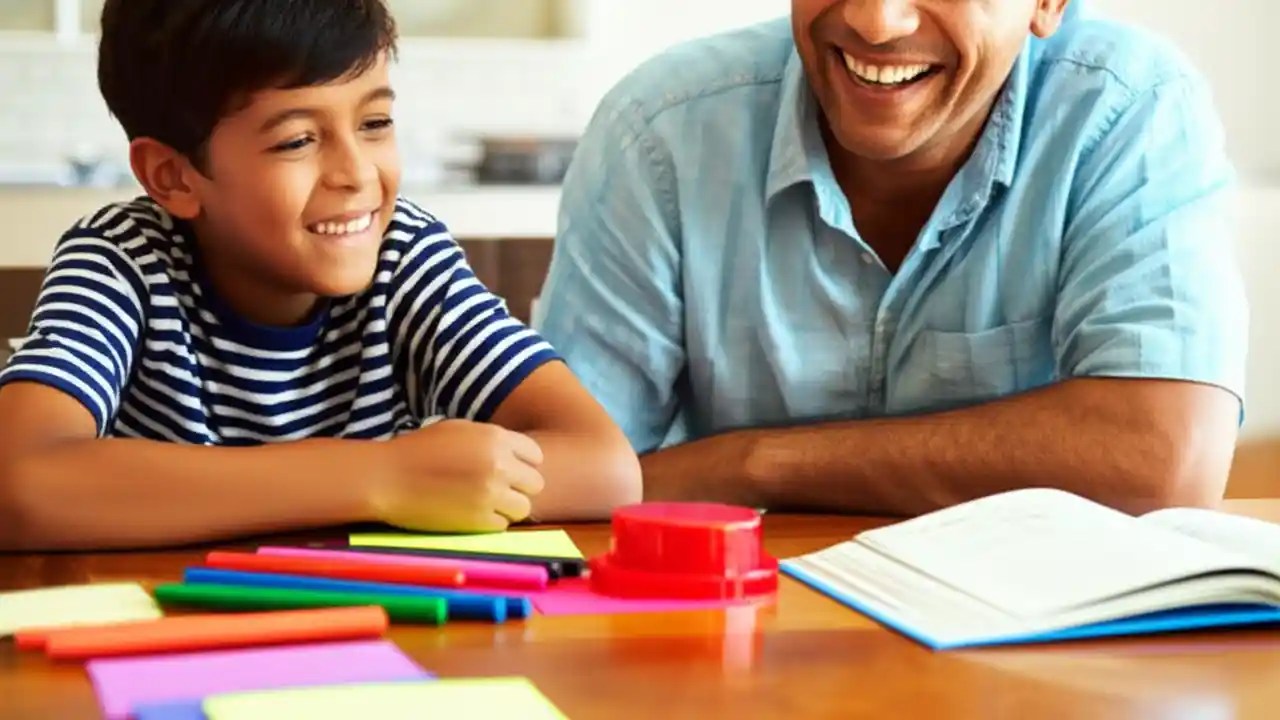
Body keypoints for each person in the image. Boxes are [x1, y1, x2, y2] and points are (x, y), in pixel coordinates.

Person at [535, 0, 1247, 515]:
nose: (878, 22)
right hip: (748, 638)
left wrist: (752, 465)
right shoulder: (663, 129)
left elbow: (1164, 461)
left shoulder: (1129, 107)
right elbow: (573, 469)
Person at [0, 0, 641, 551]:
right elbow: (18, 482)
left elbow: (606, 467)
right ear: (173, 177)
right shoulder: (122, 261)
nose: (356, 173)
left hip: (362, 627)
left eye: (375, 124)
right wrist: (384, 478)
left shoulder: (405, 257)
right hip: (162, 634)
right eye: (297, 141)